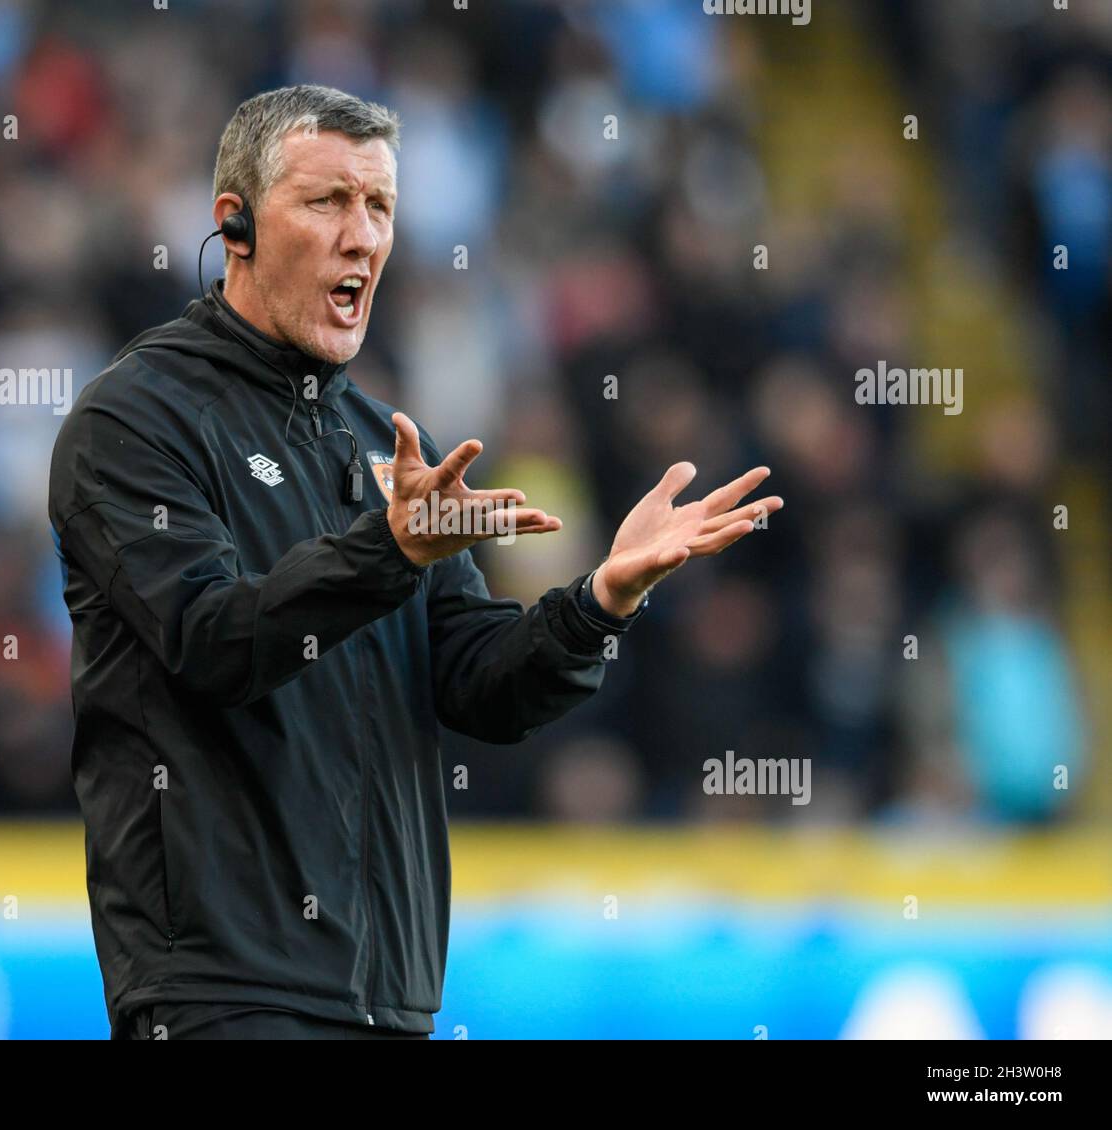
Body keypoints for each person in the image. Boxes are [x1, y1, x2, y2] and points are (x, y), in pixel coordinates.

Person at [47, 84, 783, 1040]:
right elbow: (209, 641)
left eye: (381, 206)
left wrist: (601, 601)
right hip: (221, 994)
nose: (363, 237)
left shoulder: (377, 441)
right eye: (327, 203)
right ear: (234, 226)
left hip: (389, 997)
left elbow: (478, 685)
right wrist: (386, 551)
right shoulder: (135, 422)